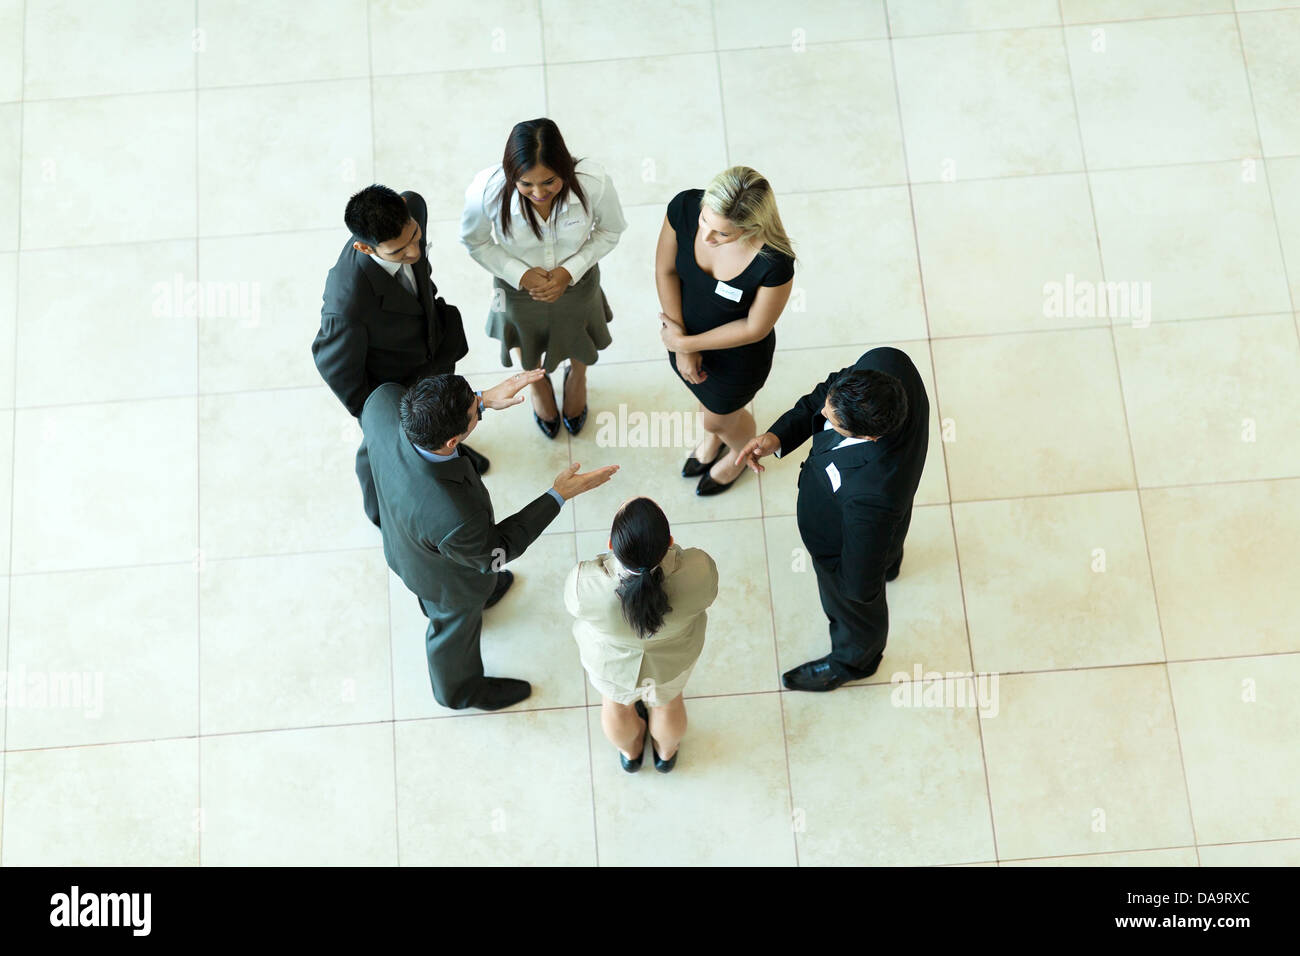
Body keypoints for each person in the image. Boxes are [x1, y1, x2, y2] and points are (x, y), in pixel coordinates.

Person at [361, 368, 618, 710]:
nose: (478, 412)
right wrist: (558, 494)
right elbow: (496, 553)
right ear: (452, 442)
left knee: (464, 580)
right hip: (446, 582)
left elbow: (366, 461)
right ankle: (459, 691)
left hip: (404, 540)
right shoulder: (454, 515)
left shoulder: (382, 402)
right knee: (452, 625)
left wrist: (481, 401)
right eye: (474, 414)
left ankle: (459, 598)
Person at [735, 347, 929, 692]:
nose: (823, 412)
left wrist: (844, 583)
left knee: (856, 603)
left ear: (869, 437)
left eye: (833, 422)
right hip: (887, 513)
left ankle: (855, 660)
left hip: (843, 543)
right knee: (890, 538)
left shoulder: (873, 495)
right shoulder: (885, 362)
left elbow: (857, 586)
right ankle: (892, 562)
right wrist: (778, 436)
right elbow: (824, 394)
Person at [314, 183, 489, 527]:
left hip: (429, 348)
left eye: (415, 237)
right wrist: (380, 417)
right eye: (399, 251)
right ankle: (380, 506)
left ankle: (445, 445)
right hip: (393, 380)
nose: (415, 251)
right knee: (380, 447)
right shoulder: (346, 304)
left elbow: (420, 268)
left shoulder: (413, 208)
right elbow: (336, 369)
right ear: (365, 248)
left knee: (443, 414)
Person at [461, 117, 627, 439]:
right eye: (526, 184)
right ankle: (537, 385)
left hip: (578, 281)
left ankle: (577, 379)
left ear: (564, 168)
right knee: (524, 335)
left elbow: (611, 229)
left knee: (581, 329)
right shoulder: (487, 190)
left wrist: (570, 270)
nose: (539, 193)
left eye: (549, 181)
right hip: (516, 289)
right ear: (512, 176)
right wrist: (519, 275)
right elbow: (475, 241)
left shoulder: (593, 181)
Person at [655, 166, 795, 496]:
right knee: (708, 409)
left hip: (737, 360)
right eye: (705, 221)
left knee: (719, 417)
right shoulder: (685, 207)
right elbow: (666, 270)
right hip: (683, 338)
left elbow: (755, 327)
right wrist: (683, 348)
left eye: (722, 234)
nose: (706, 238)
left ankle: (737, 453)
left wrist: (686, 342)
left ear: (751, 229)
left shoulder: (773, 261)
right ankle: (712, 440)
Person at [564, 497, 718, 774]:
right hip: (671, 664)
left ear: (612, 544)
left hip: (611, 666)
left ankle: (630, 753)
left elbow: (574, 609)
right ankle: (666, 754)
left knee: (616, 707)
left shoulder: (584, 583)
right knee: (669, 703)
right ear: (669, 540)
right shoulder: (700, 570)